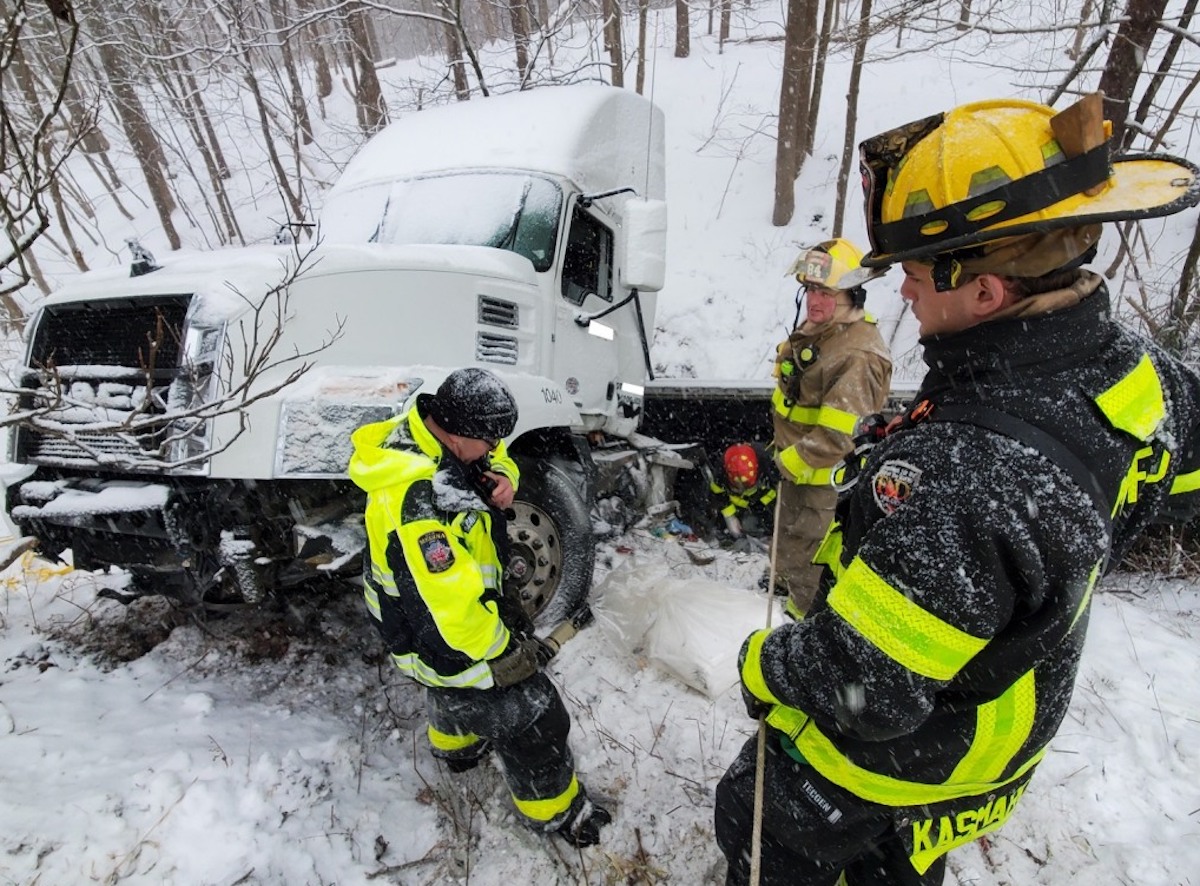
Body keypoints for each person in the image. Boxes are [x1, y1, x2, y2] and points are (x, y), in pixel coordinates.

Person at [715, 94, 1200, 885]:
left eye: (911, 274)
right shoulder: (1131, 369)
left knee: (759, 820)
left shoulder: (968, 474)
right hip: (1003, 709)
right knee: (901, 863)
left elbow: (866, 688)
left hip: (911, 751)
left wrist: (764, 668)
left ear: (986, 293)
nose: (901, 294)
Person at [348, 367, 612, 848]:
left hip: (418, 628)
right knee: (535, 716)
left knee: (454, 693)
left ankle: (458, 748)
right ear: (453, 431)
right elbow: (452, 614)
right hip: (437, 635)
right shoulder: (418, 506)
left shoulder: (435, 438)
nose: (494, 448)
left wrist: (505, 480)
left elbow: (498, 458)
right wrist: (505, 654)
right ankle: (557, 812)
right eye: (487, 440)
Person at [771, 238, 892, 617]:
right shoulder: (825, 332)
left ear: (853, 296)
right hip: (797, 468)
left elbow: (839, 434)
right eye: (809, 289)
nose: (814, 301)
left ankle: (804, 627)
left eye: (826, 292)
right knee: (791, 546)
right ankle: (791, 605)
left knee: (810, 559)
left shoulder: (857, 354)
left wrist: (788, 461)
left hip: (822, 480)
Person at [700, 442, 779, 549]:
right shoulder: (720, 469)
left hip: (764, 499)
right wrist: (730, 516)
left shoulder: (767, 461)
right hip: (737, 505)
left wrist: (764, 506)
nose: (742, 488)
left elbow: (778, 489)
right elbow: (718, 493)